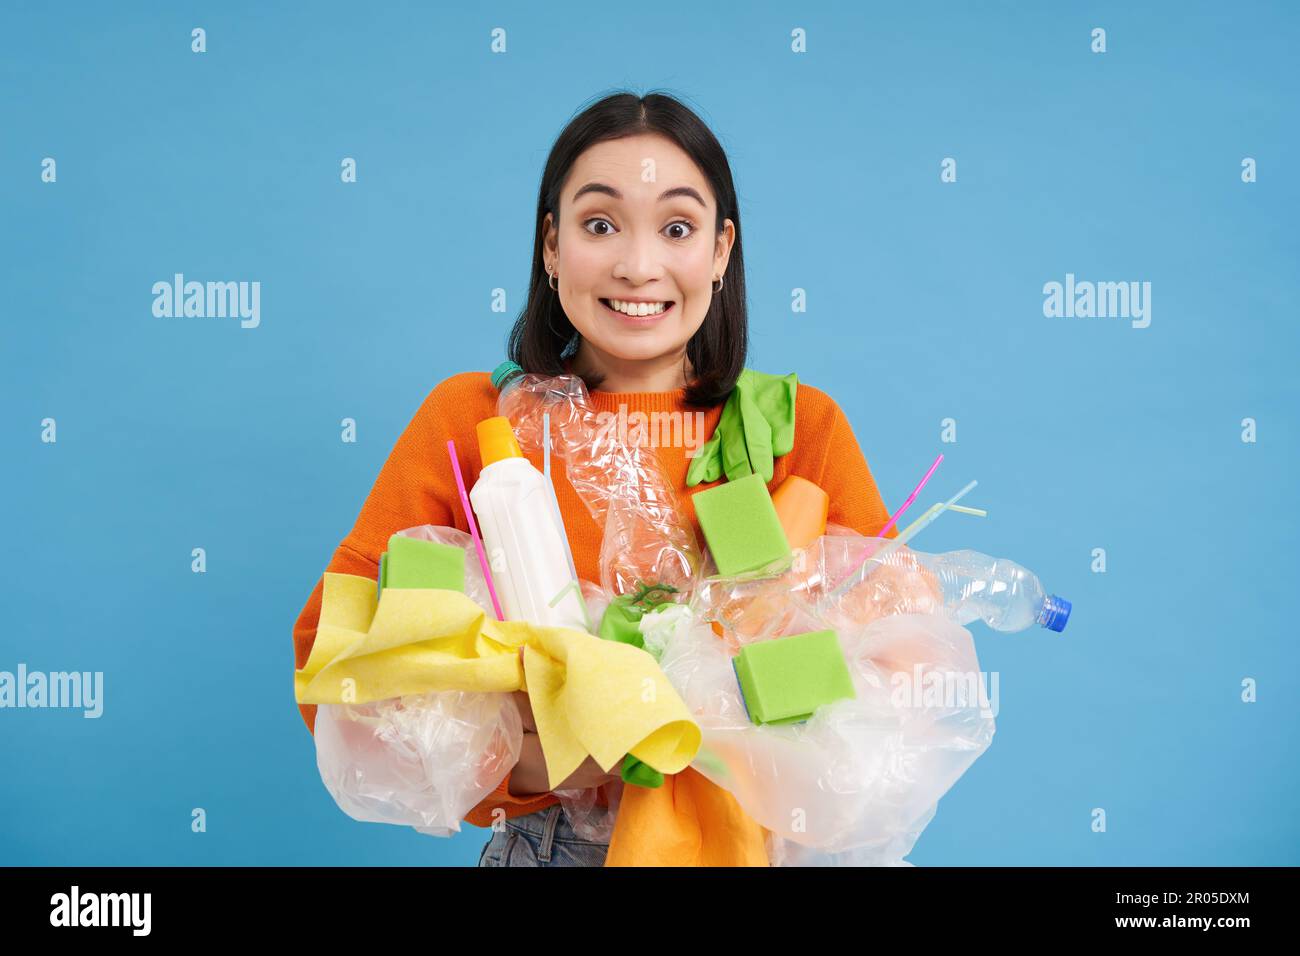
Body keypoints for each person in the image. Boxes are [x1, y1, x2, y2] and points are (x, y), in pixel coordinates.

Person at [292, 89, 896, 867]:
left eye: (677, 227)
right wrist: (538, 762)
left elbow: (892, 670)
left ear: (720, 251)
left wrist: (735, 709)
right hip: (556, 848)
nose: (637, 265)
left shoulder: (798, 431)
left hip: (756, 844)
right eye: (600, 224)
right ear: (551, 246)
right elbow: (333, 657)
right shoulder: (477, 424)